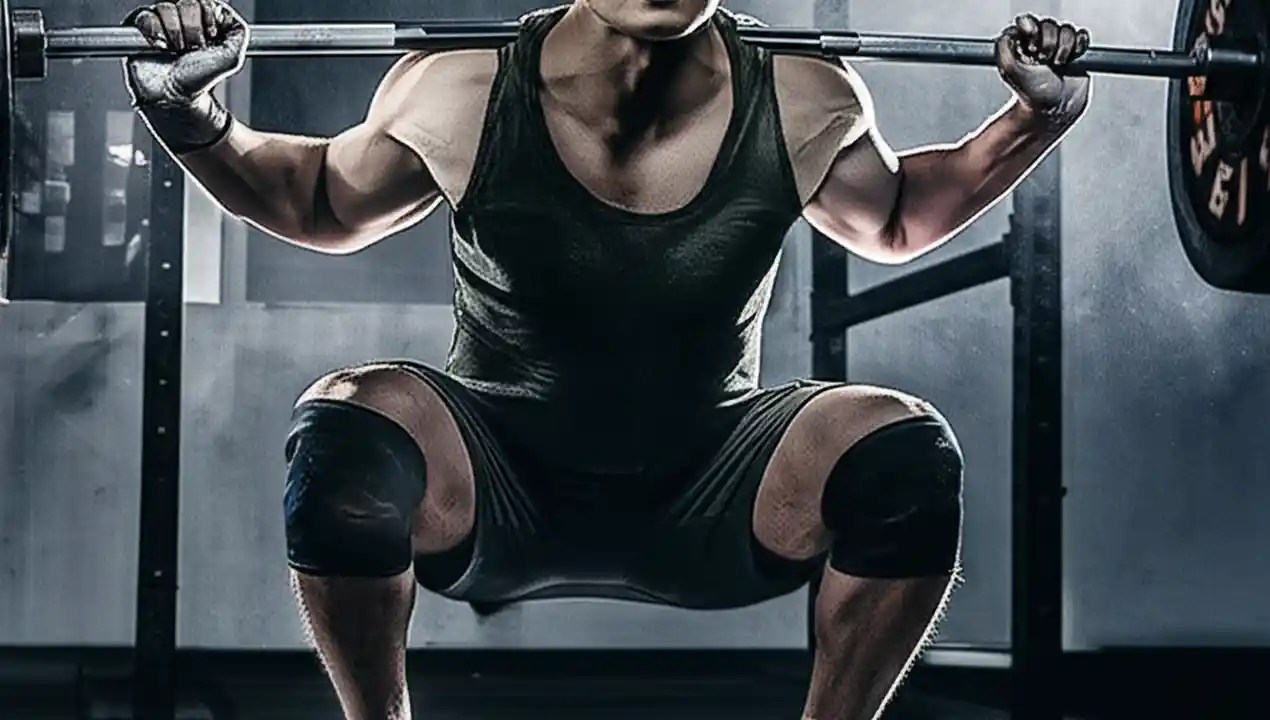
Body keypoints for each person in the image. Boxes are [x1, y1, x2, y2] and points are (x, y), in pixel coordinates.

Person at [122, 1, 1091, 718]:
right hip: (493, 486)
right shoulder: (464, 81)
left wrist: (1029, 119)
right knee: (345, 428)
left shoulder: (800, 89)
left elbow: (892, 216)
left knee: (905, 454)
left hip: (715, 489)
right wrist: (190, 118)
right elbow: (321, 200)